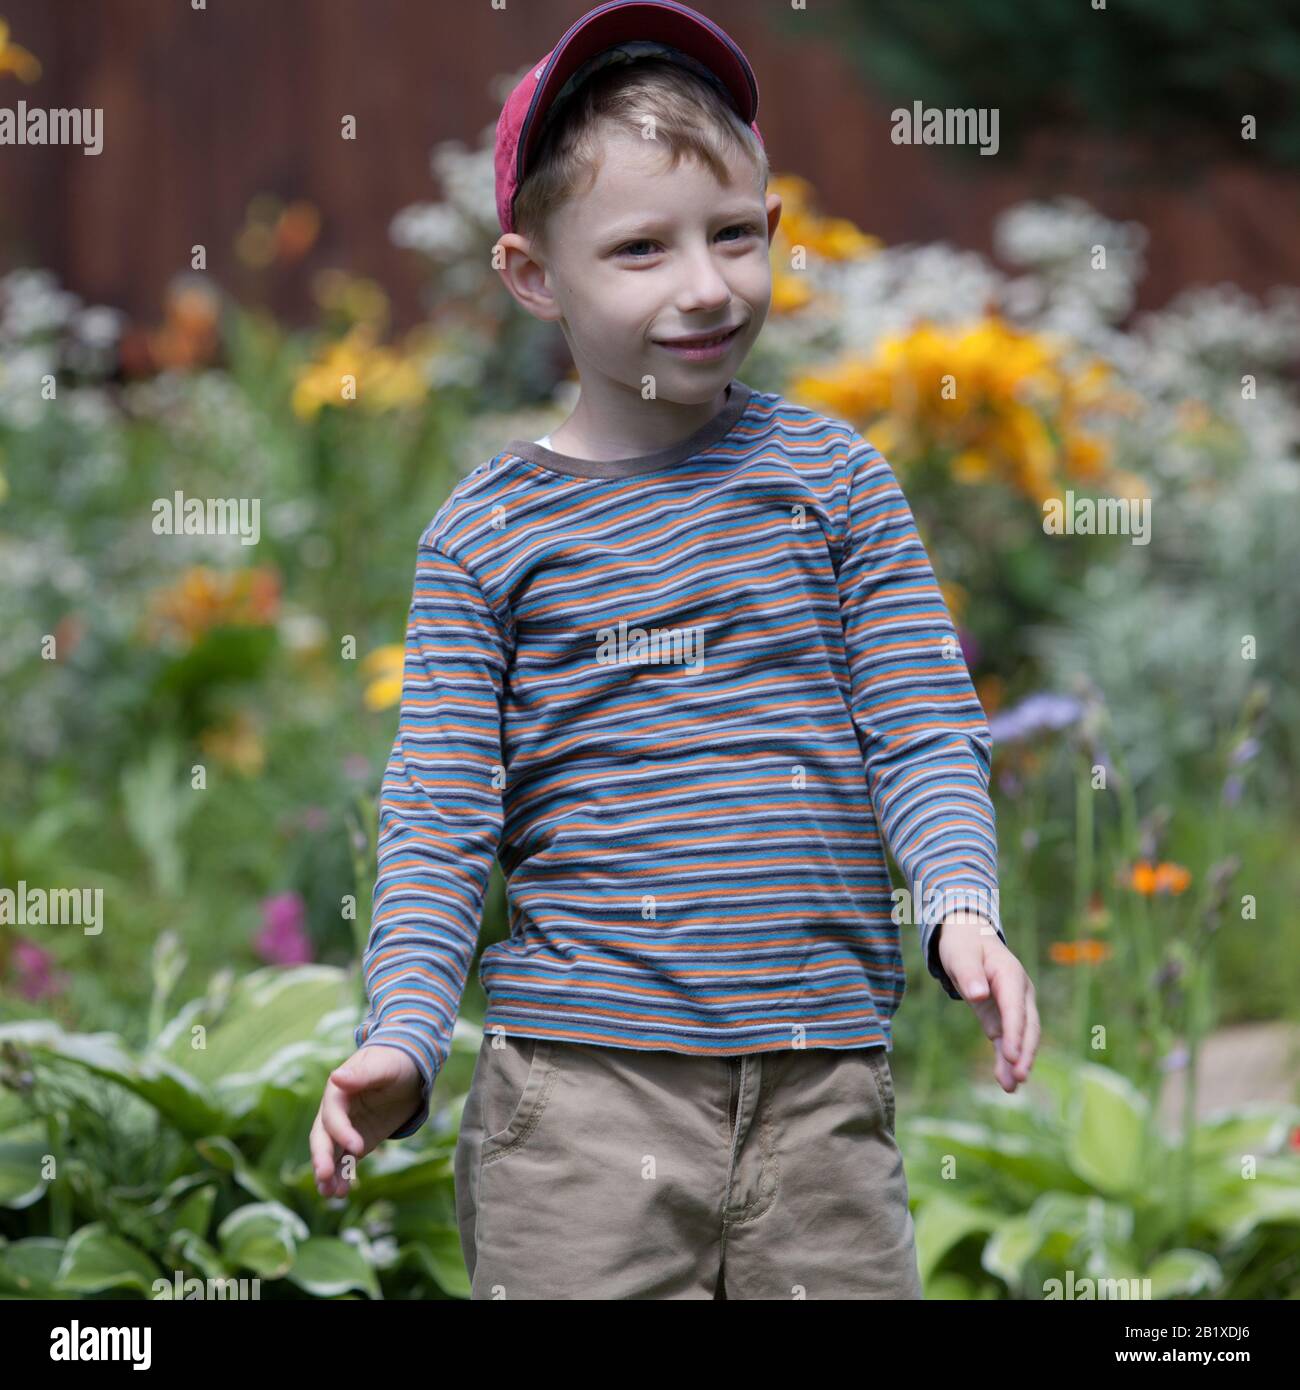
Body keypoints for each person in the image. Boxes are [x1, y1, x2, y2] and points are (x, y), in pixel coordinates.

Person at [311, 0, 1039, 1299]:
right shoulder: (485, 537)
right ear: (534, 274)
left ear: (773, 228)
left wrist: (958, 905)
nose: (704, 285)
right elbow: (438, 816)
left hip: (821, 1092)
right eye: (640, 247)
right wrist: (406, 1037)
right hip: (582, 1108)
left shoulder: (833, 479)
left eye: (731, 235)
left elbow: (922, 723)